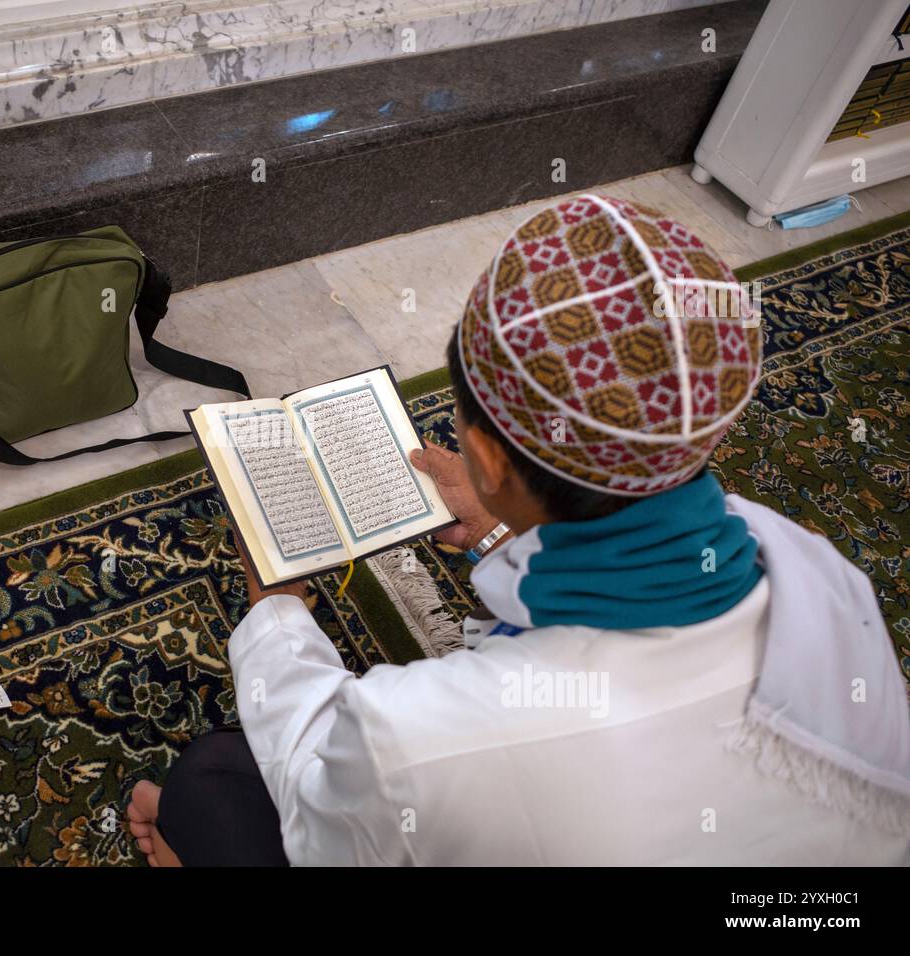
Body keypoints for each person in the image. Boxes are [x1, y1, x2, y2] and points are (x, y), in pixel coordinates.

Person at [126, 193, 910, 866]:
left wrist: (276, 612)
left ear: (491, 458)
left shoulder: (431, 738)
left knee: (208, 787)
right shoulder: (817, 570)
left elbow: (319, 800)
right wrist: (507, 530)